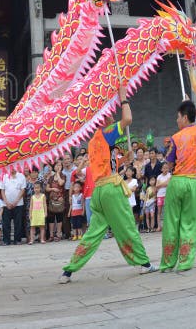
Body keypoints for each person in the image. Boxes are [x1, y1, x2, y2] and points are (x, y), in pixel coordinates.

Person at [60, 86, 157, 284]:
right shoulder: (106, 132)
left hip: (99, 192)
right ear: (103, 119)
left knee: (93, 234)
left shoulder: (93, 141)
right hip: (111, 191)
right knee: (127, 226)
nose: (113, 117)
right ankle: (145, 264)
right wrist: (123, 98)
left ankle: (68, 271)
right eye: (109, 114)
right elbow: (127, 119)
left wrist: (123, 160)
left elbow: (104, 165)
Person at [160, 98, 196, 272]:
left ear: (184, 117)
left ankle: (167, 263)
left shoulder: (175, 138)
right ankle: (185, 261)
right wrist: (192, 105)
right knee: (189, 222)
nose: (177, 120)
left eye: (178, 117)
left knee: (171, 222)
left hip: (177, 182)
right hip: (192, 181)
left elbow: (169, 163)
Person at [0, 166, 27, 245]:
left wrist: (16, 201)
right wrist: (6, 202)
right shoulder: (4, 176)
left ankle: (17, 240)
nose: (12, 169)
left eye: (14, 167)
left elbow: (23, 190)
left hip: (18, 204)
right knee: (6, 223)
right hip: (6, 204)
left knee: (18, 223)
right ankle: (6, 240)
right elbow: (2, 190)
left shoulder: (21, 176)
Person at [45, 162, 66, 241]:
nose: (58, 166)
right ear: (54, 167)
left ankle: (58, 234)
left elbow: (61, 183)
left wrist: (58, 173)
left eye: (60, 165)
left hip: (60, 199)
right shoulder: (51, 178)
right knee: (51, 218)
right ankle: (51, 235)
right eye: (57, 165)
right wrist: (53, 189)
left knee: (59, 217)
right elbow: (47, 188)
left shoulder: (63, 176)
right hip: (52, 200)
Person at [155, 162, 172, 231]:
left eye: (166, 168)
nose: (165, 169)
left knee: (166, 211)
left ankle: (166, 226)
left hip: (167, 195)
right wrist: (164, 183)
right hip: (159, 195)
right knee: (159, 211)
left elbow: (168, 183)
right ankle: (159, 226)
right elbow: (156, 186)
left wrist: (160, 184)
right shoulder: (159, 176)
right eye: (164, 168)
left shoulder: (169, 175)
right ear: (161, 169)